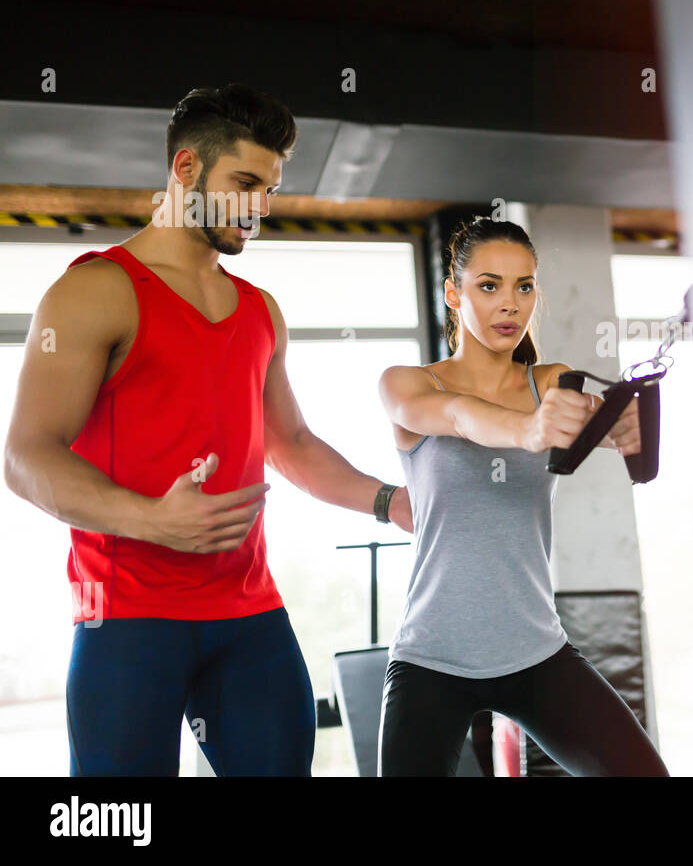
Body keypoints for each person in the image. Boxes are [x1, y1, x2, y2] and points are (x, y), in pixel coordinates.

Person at [2, 83, 413, 776]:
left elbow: (293, 445)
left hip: (249, 617)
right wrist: (152, 520)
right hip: (127, 624)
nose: (259, 207)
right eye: (245, 182)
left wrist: (391, 501)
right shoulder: (95, 292)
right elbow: (24, 455)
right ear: (187, 169)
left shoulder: (260, 311)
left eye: (270, 189)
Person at [376, 215, 669, 776]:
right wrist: (530, 430)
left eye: (524, 285)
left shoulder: (552, 382)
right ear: (453, 293)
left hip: (536, 650)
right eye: (489, 285)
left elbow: (602, 424)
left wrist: (628, 429)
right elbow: (461, 417)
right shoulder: (408, 384)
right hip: (433, 654)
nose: (509, 303)